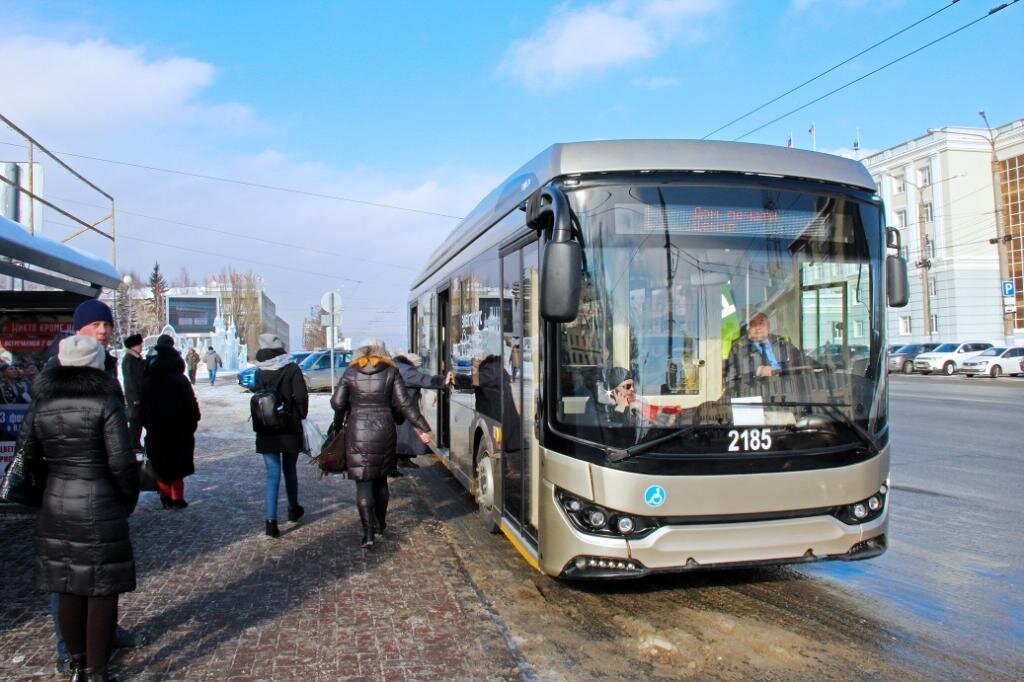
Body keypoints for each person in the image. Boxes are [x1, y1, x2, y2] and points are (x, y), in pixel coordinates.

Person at [18, 335, 138, 681]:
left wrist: (46, 492)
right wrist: (126, 499)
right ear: (97, 364)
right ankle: (96, 670)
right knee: (101, 589)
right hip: (100, 503)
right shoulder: (105, 403)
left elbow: (27, 458)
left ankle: (75, 663)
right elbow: (123, 463)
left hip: (56, 503)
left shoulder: (41, 403)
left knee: (67, 584)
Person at [330, 339, 431, 548]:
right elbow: (403, 403)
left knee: (364, 483)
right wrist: (421, 426)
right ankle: (381, 524)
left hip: (357, 430)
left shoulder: (351, 372)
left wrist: (340, 420)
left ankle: (367, 533)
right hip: (384, 430)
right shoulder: (391, 372)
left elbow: (337, 402)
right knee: (381, 480)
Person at [252, 333, 308, 539]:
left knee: (272, 475)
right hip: (289, 427)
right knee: (290, 470)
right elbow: (301, 396)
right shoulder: (291, 367)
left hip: (266, 429)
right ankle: (293, 510)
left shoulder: (260, 370)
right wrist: (301, 415)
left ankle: (270, 522)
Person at [141, 334, 200, 509]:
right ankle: (177, 497)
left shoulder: (149, 380)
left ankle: (166, 497)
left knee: (161, 466)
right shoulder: (180, 380)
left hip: (157, 431)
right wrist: (191, 425)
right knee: (177, 466)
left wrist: (149, 425)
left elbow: (143, 408)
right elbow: (191, 406)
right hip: (179, 432)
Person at [392, 352, 450, 473]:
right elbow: (424, 380)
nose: (417, 369)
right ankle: (400, 462)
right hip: (405, 409)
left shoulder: (394, 367)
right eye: (417, 367)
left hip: (394, 410)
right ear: (413, 364)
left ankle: (397, 463)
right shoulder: (407, 371)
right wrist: (444, 381)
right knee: (405, 434)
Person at [724, 311, 807, 388]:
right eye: (753, 325)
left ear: (769, 327)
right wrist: (757, 371)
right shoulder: (738, 348)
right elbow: (734, 374)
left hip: (788, 388)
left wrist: (817, 365)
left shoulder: (781, 343)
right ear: (749, 329)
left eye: (761, 323)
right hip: (756, 391)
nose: (758, 328)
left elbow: (802, 359)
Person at [121, 334, 146, 452]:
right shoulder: (129, 359)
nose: (141, 347)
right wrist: (135, 397)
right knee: (135, 420)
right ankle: (133, 444)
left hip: (139, 395)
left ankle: (135, 443)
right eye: (139, 345)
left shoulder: (137, 358)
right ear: (132, 347)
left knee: (138, 420)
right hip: (134, 397)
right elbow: (130, 380)